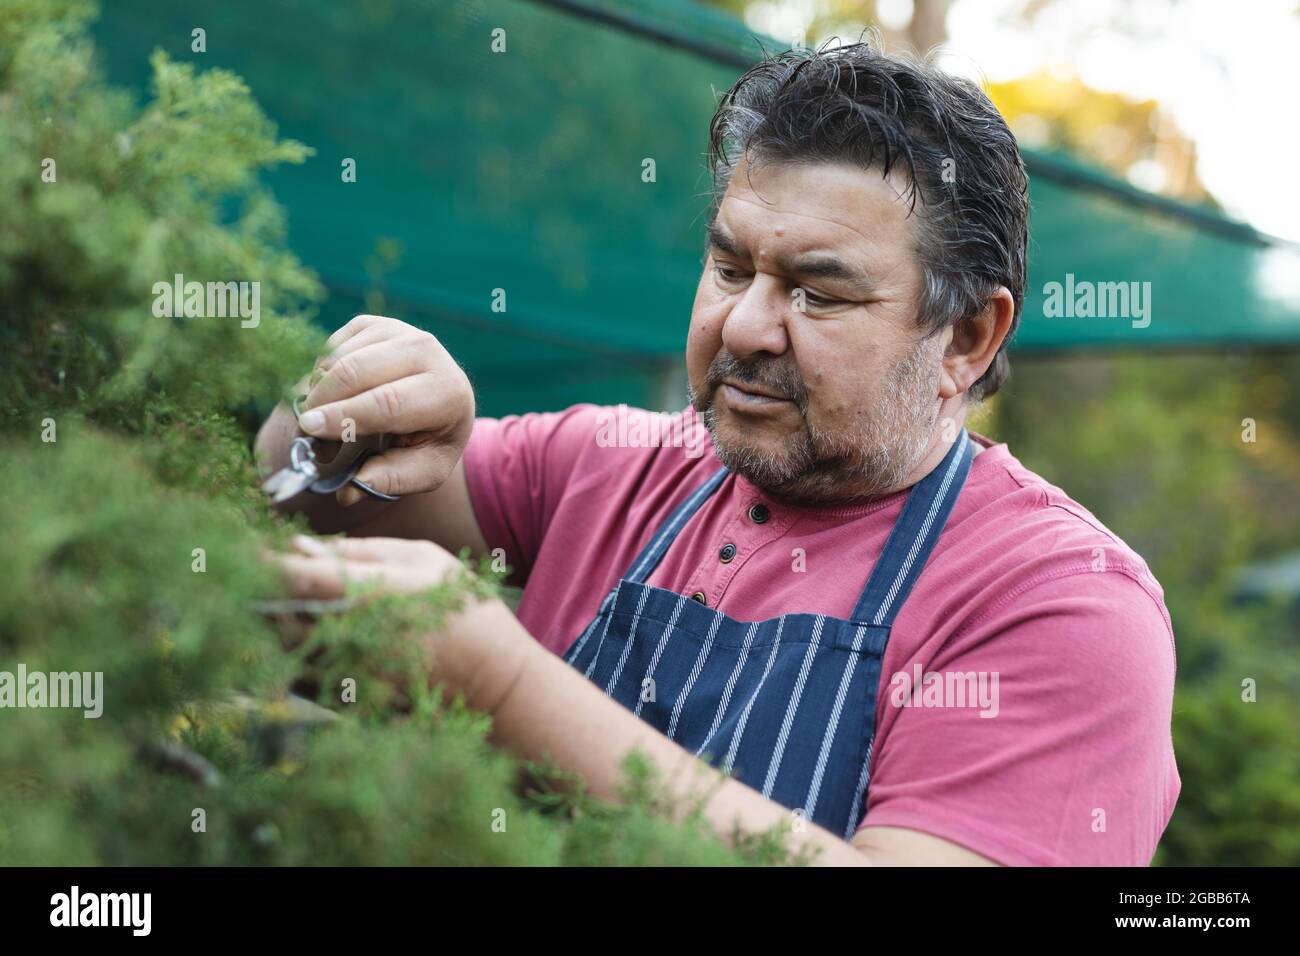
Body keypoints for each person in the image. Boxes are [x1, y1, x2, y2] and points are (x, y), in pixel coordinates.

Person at [259, 42, 1179, 866]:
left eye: (817, 294)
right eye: (733, 267)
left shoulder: (1062, 602)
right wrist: (344, 404)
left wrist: (502, 684)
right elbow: (296, 498)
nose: (743, 325)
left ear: (967, 338)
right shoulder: (615, 463)